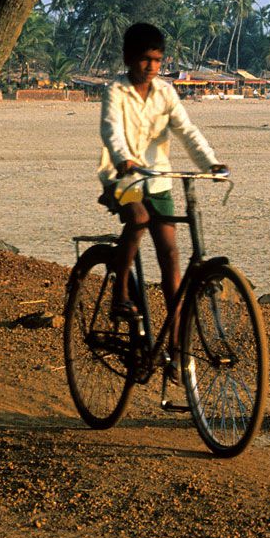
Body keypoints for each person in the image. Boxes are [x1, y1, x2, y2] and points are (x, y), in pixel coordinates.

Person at [99, 23, 227, 369]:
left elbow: (187, 130)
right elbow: (111, 130)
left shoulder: (166, 93)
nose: (151, 66)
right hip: (122, 176)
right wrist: (124, 158)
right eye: (144, 60)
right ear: (129, 59)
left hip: (158, 179)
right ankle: (120, 290)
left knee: (171, 254)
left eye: (156, 60)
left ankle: (175, 341)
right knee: (138, 219)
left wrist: (211, 164)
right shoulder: (115, 92)